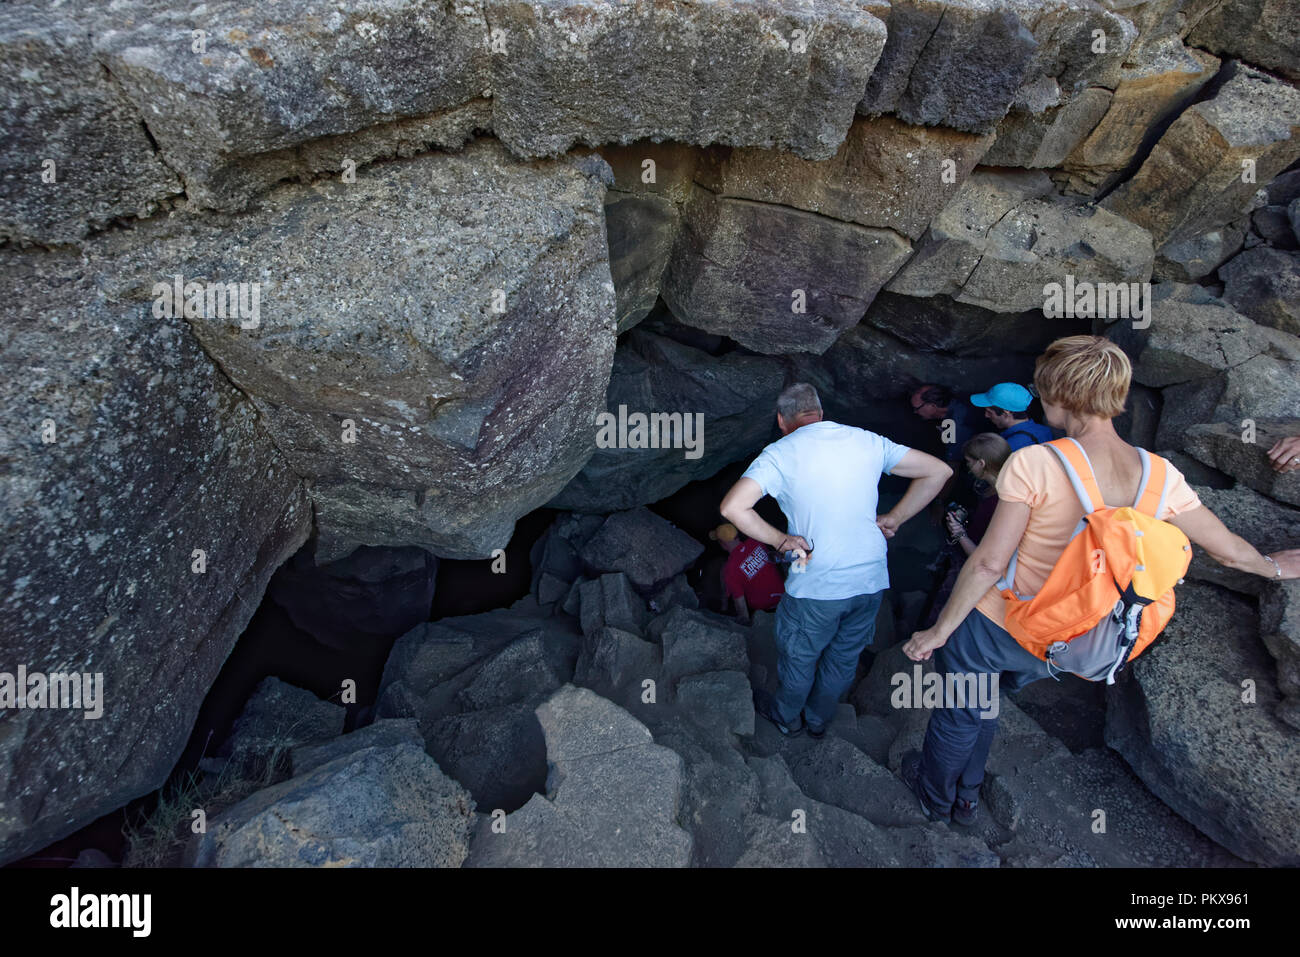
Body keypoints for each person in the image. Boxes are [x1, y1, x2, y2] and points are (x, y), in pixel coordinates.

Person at [899, 336, 1300, 825]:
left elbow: (988, 564)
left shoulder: (1035, 462)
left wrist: (938, 631)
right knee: (988, 703)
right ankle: (968, 796)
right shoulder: (1161, 474)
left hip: (999, 623)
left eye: (1043, 390)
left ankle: (936, 798)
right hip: (1071, 636)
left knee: (962, 710)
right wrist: (1276, 566)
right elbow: (1229, 551)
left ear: (1060, 396)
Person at [721, 382, 952, 738]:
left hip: (817, 581)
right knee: (843, 658)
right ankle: (818, 720)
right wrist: (895, 518)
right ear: (820, 413)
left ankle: (786, 717)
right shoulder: (867, 441)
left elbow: (733, 507)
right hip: (870, 580)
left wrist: (781, 540)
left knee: (800, 658)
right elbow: (939, 471)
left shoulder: (778, 454)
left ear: (781, 420)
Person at [921, 433, 1012, 630]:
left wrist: (959, 533)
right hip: (968, 560)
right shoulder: (1000, 488)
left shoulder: (1001, 501)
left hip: (970, 569)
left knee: (942, 613)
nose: (968, 467)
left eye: (969, 462)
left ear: (981, 463)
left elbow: (984, 558)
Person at [710, 522, 784, 625]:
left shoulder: (730, 568)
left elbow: (740, 603)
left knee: (733, 586)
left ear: (723, 544)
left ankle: (724, 608)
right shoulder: (756, 541)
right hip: (782, 596)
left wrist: (743, 618)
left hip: (763, 608)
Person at [970, 382, 1053, 451]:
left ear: (1006, 413)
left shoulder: (1007, 448)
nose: (986, 415)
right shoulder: (1046, 431)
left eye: (989, 412)